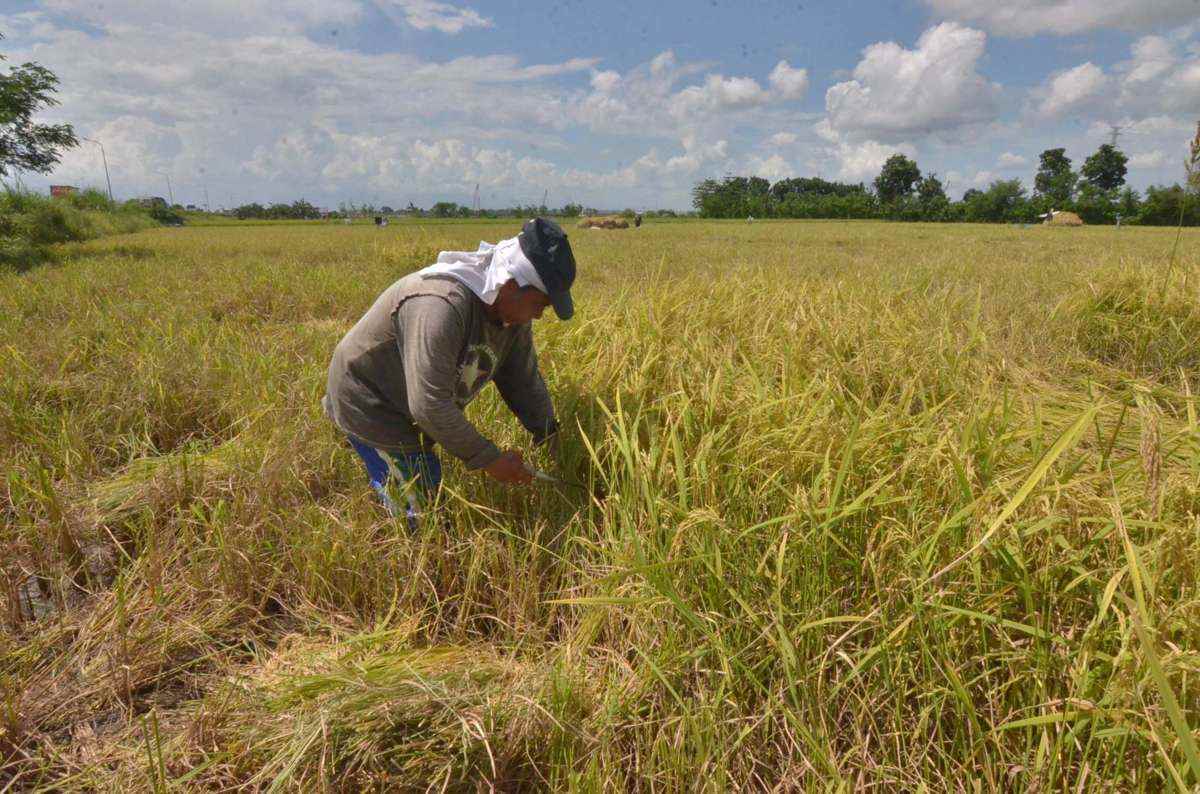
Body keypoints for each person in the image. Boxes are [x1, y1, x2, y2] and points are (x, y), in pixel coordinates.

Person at [322, 217, 576, 527]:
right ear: (511, 285)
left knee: (418, 479)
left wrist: (549, 435)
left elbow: (523, 382)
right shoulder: (440, 305)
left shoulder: (512, 319)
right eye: (541, 304)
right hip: (371, 402)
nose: (539, 314)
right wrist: (490, 459)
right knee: (422, 516)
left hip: (409, 400)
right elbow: (429, 405)